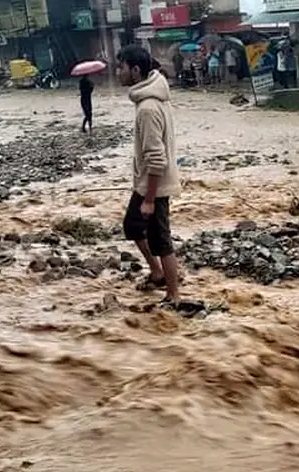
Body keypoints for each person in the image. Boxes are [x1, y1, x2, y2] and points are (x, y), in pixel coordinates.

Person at [116, 44, 182, 306]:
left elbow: (156, 159)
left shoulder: (148, 108)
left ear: (135, 70)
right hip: (147, 184)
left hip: (154, 186)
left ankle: (174, 295)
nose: (117, 73)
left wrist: (150, 199)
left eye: (121, 68)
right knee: (132, 226)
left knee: (161, 239)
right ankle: (156, 273)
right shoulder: (151, 98)